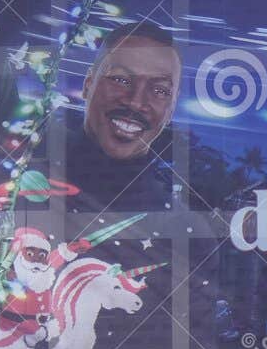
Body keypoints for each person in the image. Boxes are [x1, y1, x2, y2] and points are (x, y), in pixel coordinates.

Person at [65, 21, 183, 215]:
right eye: (121, 80)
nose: (136, 102)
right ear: (88, 85)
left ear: (171, 110)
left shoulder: (183, 232)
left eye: (160, 90)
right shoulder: (20, 173)